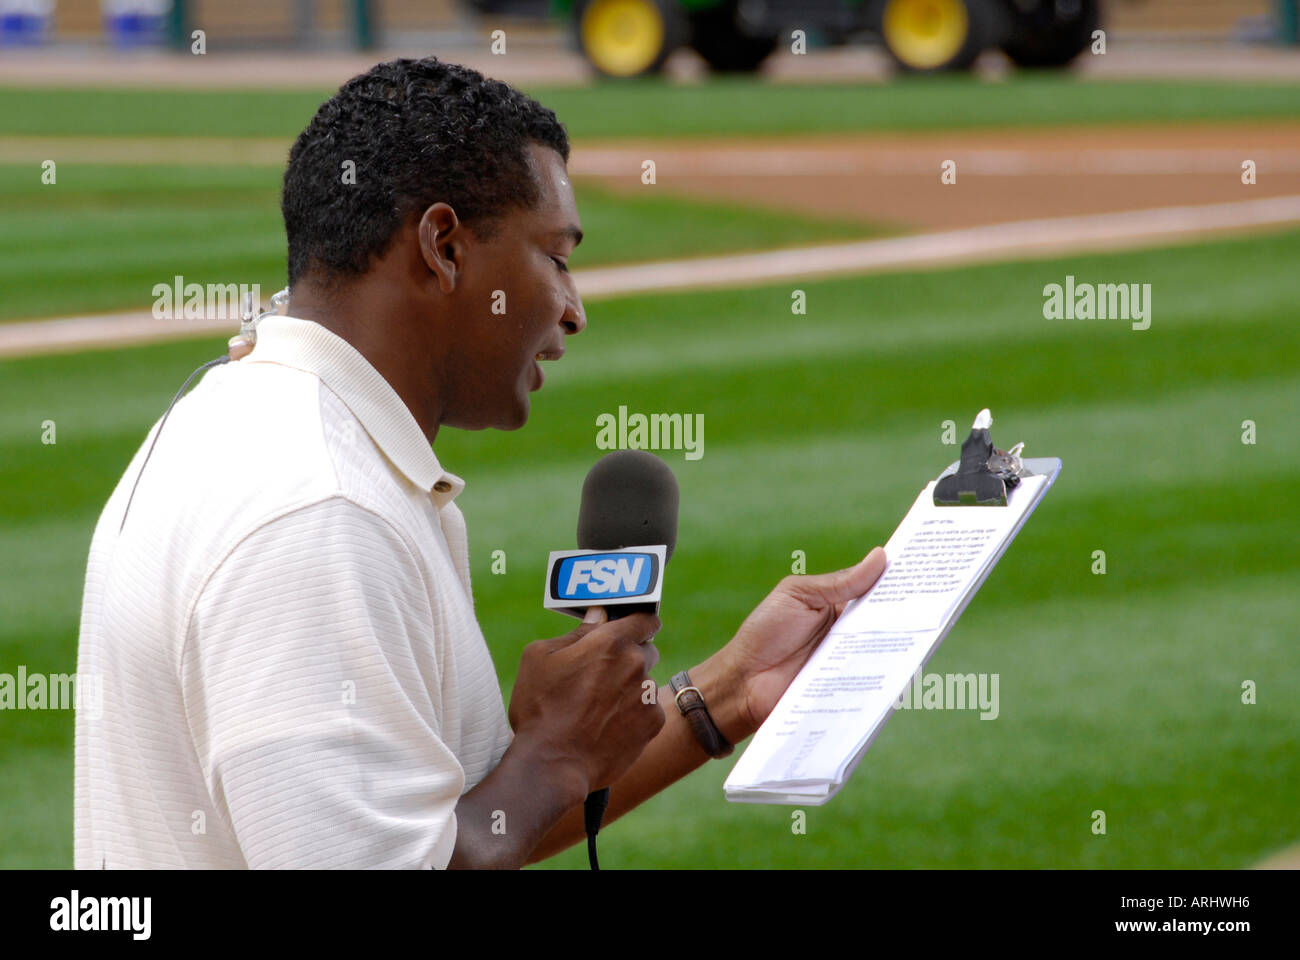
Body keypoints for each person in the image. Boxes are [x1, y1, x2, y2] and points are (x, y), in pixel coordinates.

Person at [74, 56, 887, 870]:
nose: (574, 309)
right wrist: (556, 753)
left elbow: (461, 830)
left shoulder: (237, 416)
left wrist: (729, 692)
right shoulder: (323, 512)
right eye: (557, 258)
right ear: (444, 248)